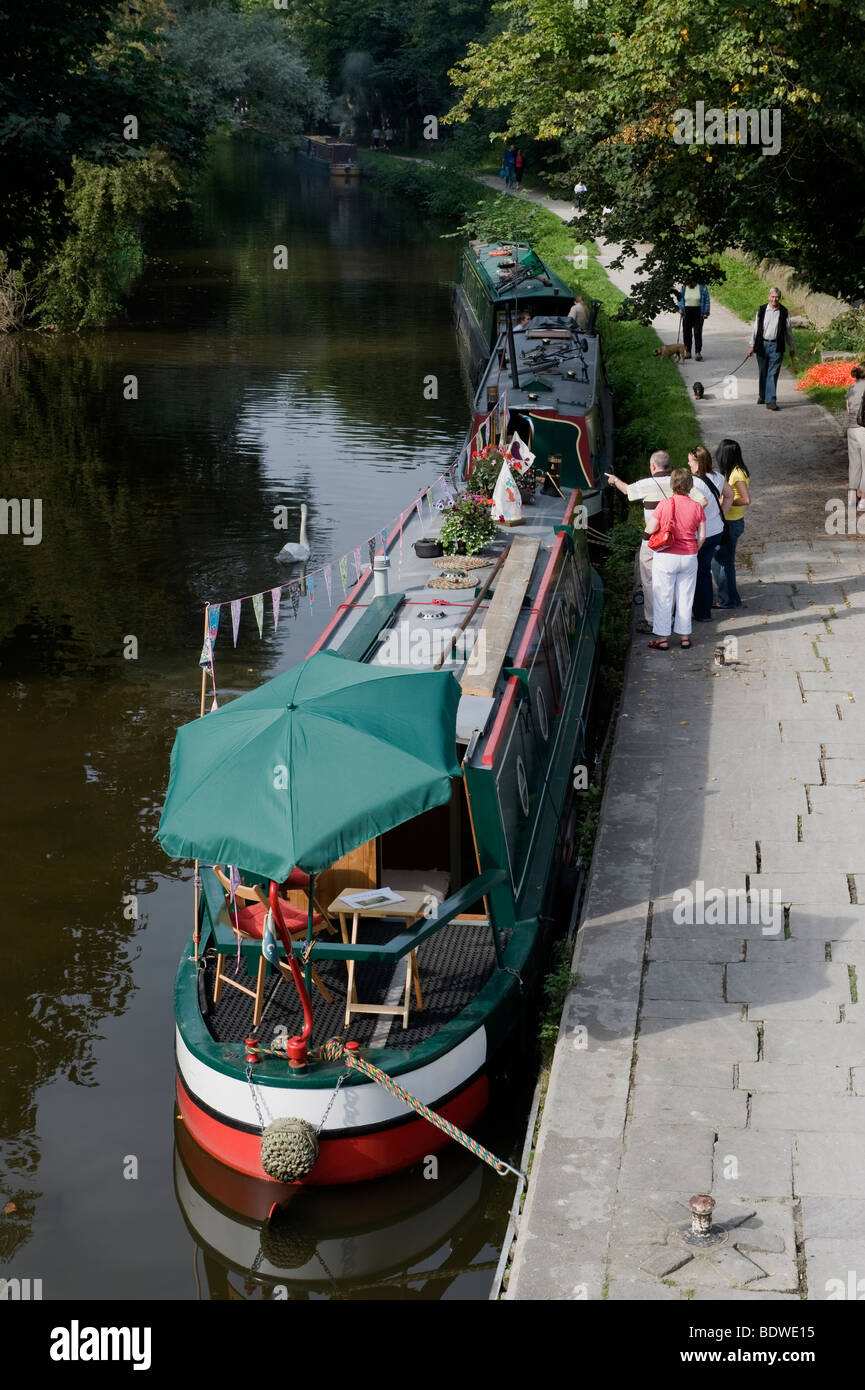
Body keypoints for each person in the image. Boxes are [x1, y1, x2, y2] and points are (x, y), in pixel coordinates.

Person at [605, 450, 673, 632]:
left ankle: (652, 620)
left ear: (652, 466)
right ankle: (672, 615)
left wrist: (614, 480)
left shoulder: (646, 484)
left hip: (652, 540)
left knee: (650, 580)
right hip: (675, 540)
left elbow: (627, 490)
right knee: (671, 578)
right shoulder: (679, 482)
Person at [645, 469, 706, 649]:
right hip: (689, 556)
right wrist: (694, 549)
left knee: (663, 596)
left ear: (672, 484)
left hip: (665, 556)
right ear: (690, 485)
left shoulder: (664, 504)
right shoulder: (696, 506)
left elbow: (650, 529)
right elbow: (702, 536)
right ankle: (684, 637)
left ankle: (663, 639)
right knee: (685, 596)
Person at [687, 445, 734, 621]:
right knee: (705, 570)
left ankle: (699, 612)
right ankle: (704, 611)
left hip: (700, 534)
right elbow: (730, 495)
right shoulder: (718, 477)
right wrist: (721, 514)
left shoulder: (694, 483)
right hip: (716, 531)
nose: (688, 464)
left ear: (698, 462)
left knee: (698, 573)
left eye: (691, 461)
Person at [711, 439, 751, 608]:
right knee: (721, 561)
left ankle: (726, 600)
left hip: (731, 522)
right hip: (730, 521)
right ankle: (731, 598)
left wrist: (726, 501)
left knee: (722, 562)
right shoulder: (734, 471)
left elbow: (746, 499)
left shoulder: (737, 474)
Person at [747, 287, 798, 410]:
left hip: (776, 346)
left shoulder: (784, 312)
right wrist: (751, 345)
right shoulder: (762, 310)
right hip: (762, 345)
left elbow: (788, 331)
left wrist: (791, 347)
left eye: (777, 297)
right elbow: (755, 329)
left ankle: (771, 400)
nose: (775, 299)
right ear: (769, 297)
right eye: (773, 297)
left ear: (779, 298)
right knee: (763, 372)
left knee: (773, 373)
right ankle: (763, 395)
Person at [846, 364, 865, 511]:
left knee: (854, 463)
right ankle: (863, 498)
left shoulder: (851, 387)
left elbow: (848, 409)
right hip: (863, 429)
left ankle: (852, 497)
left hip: (851, 428)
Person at [677, 283, 710, 361]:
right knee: (686, 333)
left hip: (698, 311)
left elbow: (706, 299)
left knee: (697, 332)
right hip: (686, 312)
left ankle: (698, 352)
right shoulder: (684, 287)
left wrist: (706, 312)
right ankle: (688, 351)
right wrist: (680, 308)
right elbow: (680, 298)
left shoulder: (702, 287)